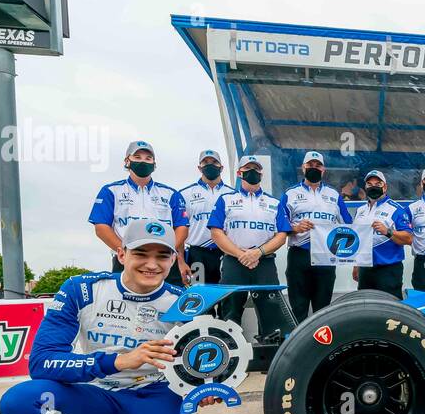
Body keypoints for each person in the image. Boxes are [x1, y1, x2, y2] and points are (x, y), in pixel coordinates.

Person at [0, 221, 216, 414]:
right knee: (20, 401)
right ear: (122, 254)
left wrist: (202, 387)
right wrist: (118, 361)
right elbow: (42, 361)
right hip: (96, 394)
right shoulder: (82, 289)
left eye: (162, 256)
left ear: (173, 259)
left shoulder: (184, 301)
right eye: (141, 254)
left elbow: (198, 362)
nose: (152, 264)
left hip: (155, 394)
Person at [208, 155, 290, 342]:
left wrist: (258, 253)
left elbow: (282, 235)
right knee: (230, 309)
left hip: (265, 262)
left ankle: (269, 355)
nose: (252, 172)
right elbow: (216, 232)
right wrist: (241, 254)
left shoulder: (274, 203)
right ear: (239, 173)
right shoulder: (226, 199)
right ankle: (230, 351)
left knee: (270, 309)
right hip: (233, 262)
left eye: (256, 169)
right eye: (248, 169)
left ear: (261, 173)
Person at [88, 140, 189, 285]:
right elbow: (101, 227)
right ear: (127, 161)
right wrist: (125, 251)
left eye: (148, 158)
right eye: (138, 157)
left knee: (171, 303)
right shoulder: (111, 191)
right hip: (125, 260)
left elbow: (182, 227)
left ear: (154, 164)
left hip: (164, 260)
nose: (143, 161)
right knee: (126, 304)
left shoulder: (171, 193)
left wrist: (169, 250)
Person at [280, 150, 349, 322]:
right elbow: (279, 224)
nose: (314, 168)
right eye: (310, 165)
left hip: (325, 256)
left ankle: (322, 347)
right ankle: (297, 347)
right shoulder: (290, 193)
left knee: (323, 310)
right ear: (303, 168)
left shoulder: (334, 195)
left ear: (323, 169)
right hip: (299, 255)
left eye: (318, 165)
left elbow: (348, 224)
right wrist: (295, 228)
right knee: (298, 308)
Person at [345, 170, 412, 297]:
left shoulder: (396, 209)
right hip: (365, 269)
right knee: (366, 307)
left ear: (385, 187)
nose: (373, 186)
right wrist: (356, 265)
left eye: (378, 183)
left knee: (391, 310)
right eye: (369, 184)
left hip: (388, 269)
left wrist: (388, 231)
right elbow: (358, 240)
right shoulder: (360, 211)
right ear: (365, 187)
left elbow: (409, 239)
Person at [179, 150, 235, 286]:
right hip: (197, 254)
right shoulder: (185, 194)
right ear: (200, 167)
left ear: (221, 167)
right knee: (199, 298)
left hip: (226, 253)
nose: (210, 165)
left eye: (214, 162)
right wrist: (181, 261)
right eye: (206, 162)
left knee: (227, 300)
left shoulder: (233, 194)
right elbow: (179, 230)